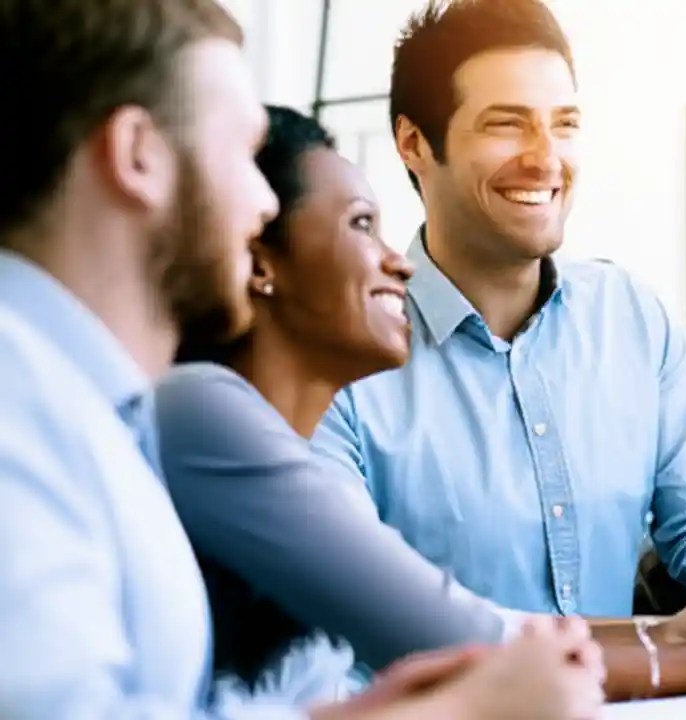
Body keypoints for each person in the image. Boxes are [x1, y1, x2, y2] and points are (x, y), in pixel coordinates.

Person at [0, 1, 604, 719]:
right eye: (240, 152)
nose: (261, 203)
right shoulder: (19, 402)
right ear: (138, 155)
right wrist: (452, 712)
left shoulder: (91, 407)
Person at [158, 104, 686, 702]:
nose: (395, 262)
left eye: (565, 121)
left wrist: (667, 632)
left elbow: (466, 635)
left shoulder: (246, 424)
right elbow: (450, 634)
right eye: (361, 224)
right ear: (260, 260)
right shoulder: (203, 410)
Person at [310, 0, 686, 689]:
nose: (546, 158)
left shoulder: (632, 318)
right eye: (506, 123)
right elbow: (359, 611)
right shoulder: (340, 357)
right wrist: (667, 645)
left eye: (565, 124)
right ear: (413, 143)